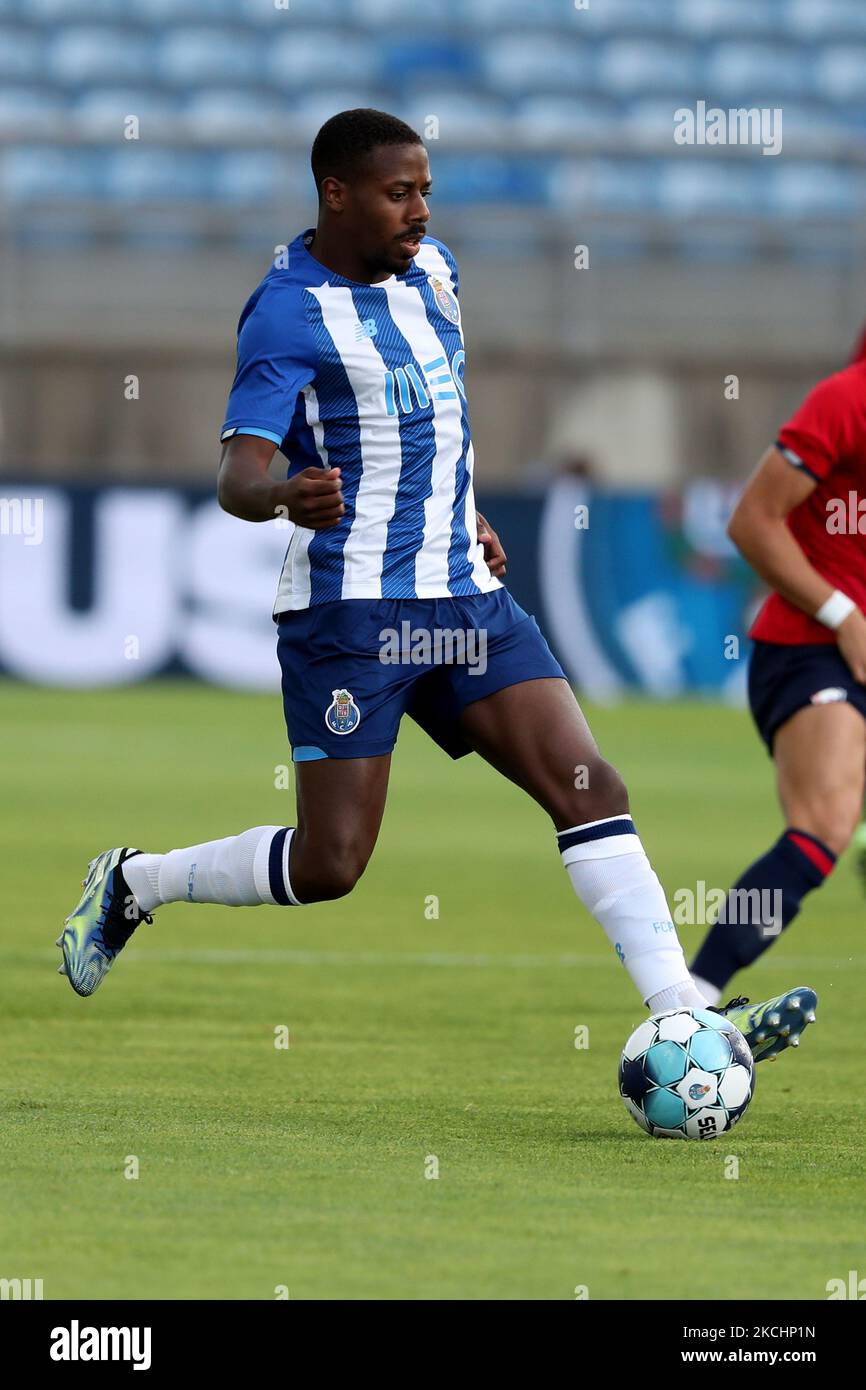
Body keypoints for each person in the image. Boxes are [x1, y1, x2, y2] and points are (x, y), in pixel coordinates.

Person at [57, 109, 813, 1063]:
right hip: (352, 614)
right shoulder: (288, 309)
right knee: (331, 863)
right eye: (397, 193)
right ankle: (137, 884)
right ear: (336, 193)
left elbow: (434, 420)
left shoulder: (438, 272)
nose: (419, 210)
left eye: (425, 191)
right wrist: (286, 492)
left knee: (590, 786)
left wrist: (462, 511)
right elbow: (236, 475)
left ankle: (684, 1015)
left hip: (465, 596)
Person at [691, 355, 866, 1021]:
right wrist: (843, 617)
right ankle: (693, 1009)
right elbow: (752, 522)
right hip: (812, 647)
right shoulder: (846, 400)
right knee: (823, 824)